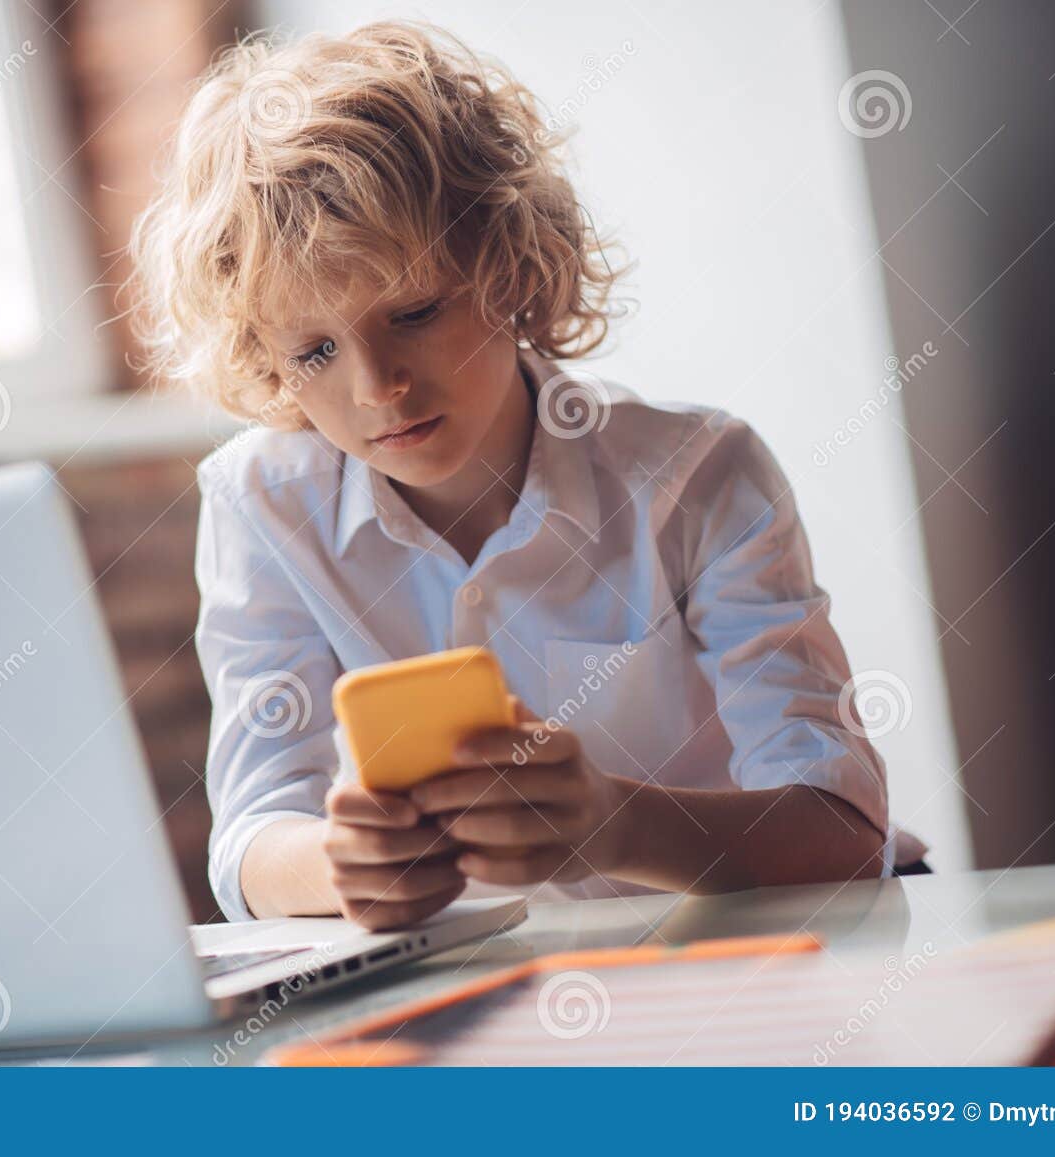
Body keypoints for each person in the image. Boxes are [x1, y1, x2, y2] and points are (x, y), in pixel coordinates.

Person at [130, 20, 928, 928]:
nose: (378, 386)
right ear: (267, 361)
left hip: (754, 958)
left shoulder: (700, 478)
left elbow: (846, 832)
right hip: (499, 1001)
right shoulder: (260, 508)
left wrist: (615, 826)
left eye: (417, 310)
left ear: (508, 266)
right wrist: (338, 866)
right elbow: (249, 841)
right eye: (314, 350)